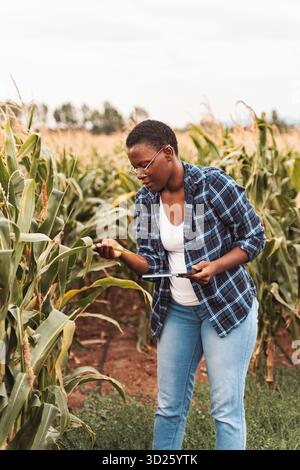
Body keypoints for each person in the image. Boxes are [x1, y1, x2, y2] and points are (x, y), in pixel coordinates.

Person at [92, 119, 266, 450]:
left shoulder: (212, 185)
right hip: (177, 311)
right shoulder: (146, 202)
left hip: (225, 307)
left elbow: (255, 237)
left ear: (168, 153)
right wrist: (120, 253)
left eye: (145, 164)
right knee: (168, 408)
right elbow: (153, 265)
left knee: (225, 409)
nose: (141, 174)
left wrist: (214, 266)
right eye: (135, 169)